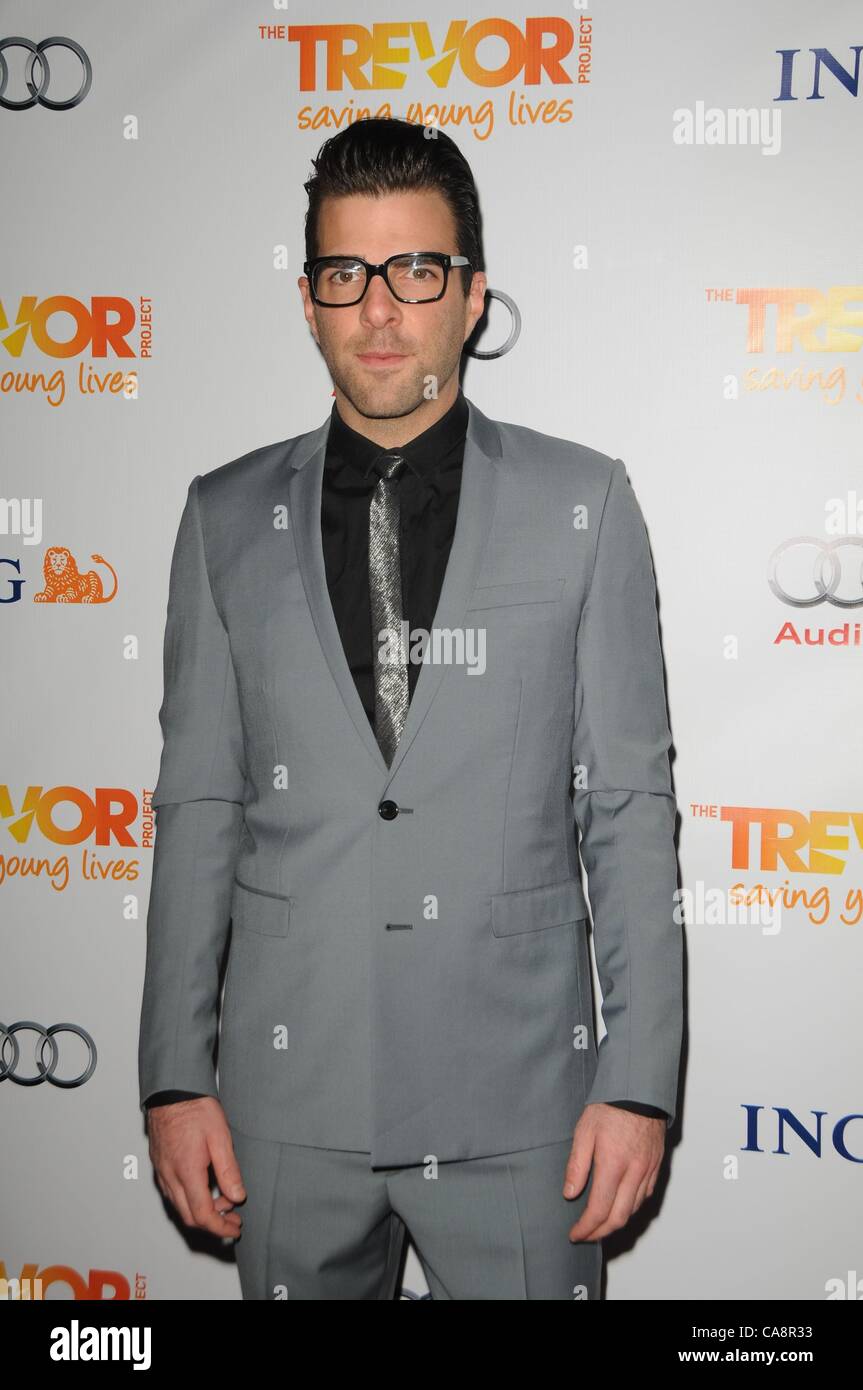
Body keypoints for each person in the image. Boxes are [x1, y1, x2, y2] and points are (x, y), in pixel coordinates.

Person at [138, 117, 682, 1300]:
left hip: (524, 1105)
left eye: (414, 271)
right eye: (346, 274)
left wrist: (636, 1082)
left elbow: (628, 807)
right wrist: (175, 1075)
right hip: (287, 1106)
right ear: (308, 299)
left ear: (472, 297)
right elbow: (198, 804)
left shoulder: (583, 504)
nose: (379, 310)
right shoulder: (221, 518)